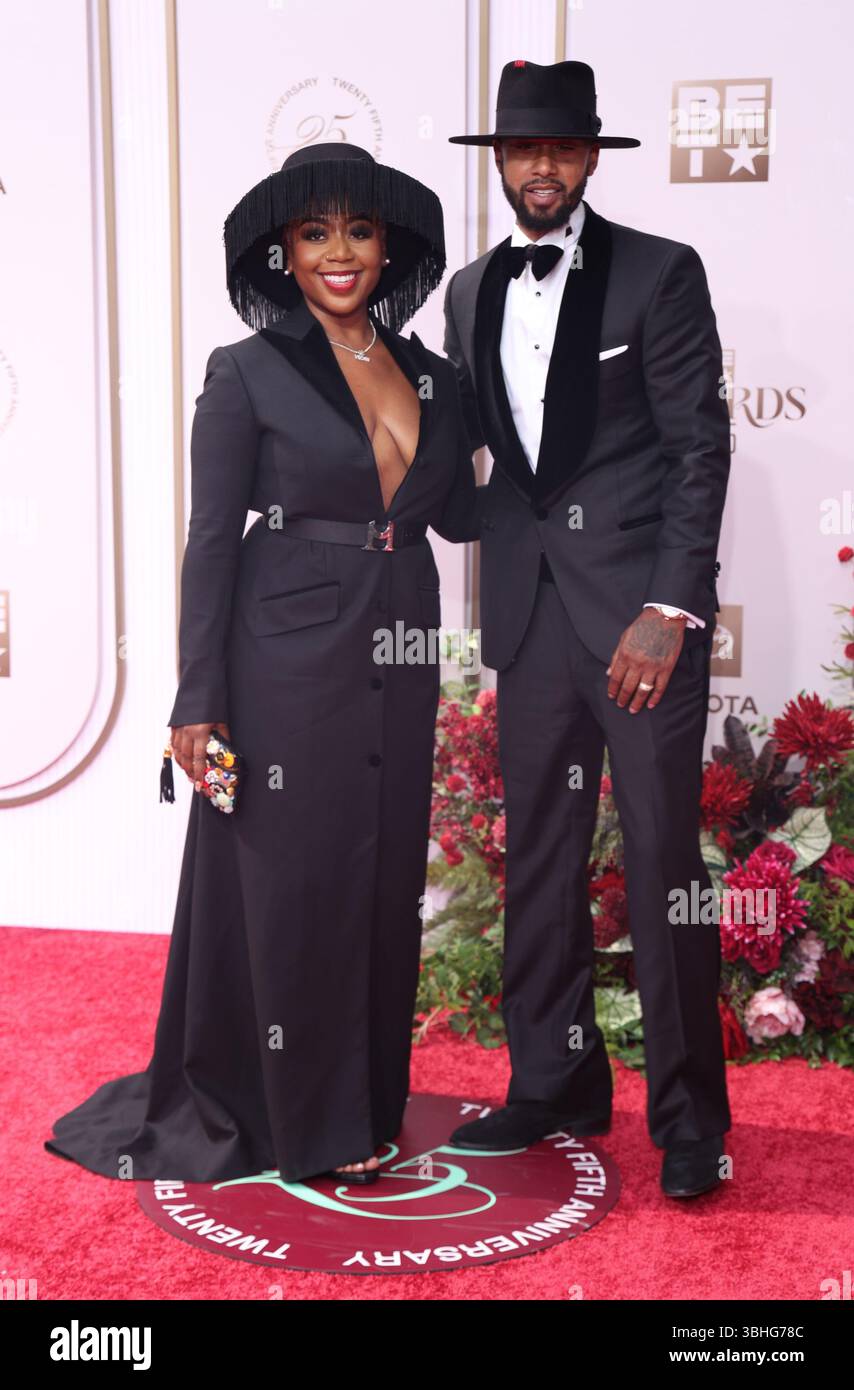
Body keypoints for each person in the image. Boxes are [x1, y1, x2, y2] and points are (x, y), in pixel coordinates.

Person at [44, 143, 478, 1187]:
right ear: (283, 252)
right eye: (315, 233)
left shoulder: (430, 373)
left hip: (401, 638)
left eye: (359, 231)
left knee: (378, 875)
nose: (340, 254)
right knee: (289, 882)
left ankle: (361, 1105)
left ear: (388, 246)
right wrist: (197, 698)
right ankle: (276, 1115)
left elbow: (459, 515)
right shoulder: (246, 370)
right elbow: (208, 538)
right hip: (282, 656)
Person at [442, 60, 733, 1198]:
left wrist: (669, 608)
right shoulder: (468, 292)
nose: (540, 168)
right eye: (522, 151)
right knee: (539, 862)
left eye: (560, 150)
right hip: (528, 617)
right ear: (501, 164)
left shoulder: (659, 275)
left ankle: (690, 1122)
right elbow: (473, 464)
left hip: (637, 626)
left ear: (590, 159)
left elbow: (697, 449)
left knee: (664, 865)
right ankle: (554, 1082)